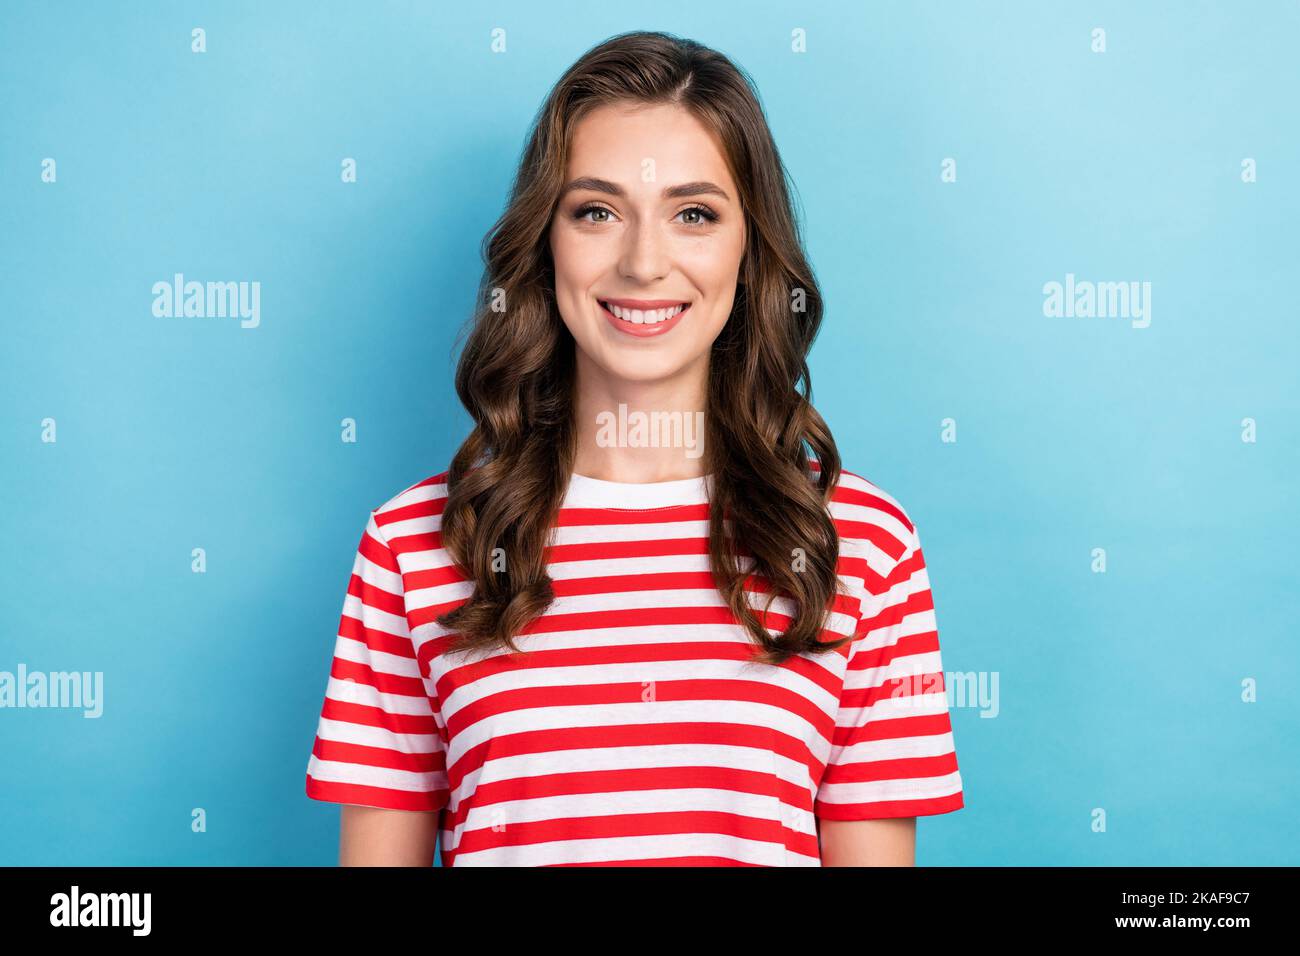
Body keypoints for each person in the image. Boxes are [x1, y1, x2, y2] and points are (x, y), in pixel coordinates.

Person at [305, 29, 964, 866]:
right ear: (545, 243)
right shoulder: (414, 546)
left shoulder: (861, 545)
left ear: (748, 249)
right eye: (596, 211)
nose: (644, 262)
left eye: (694, 214)